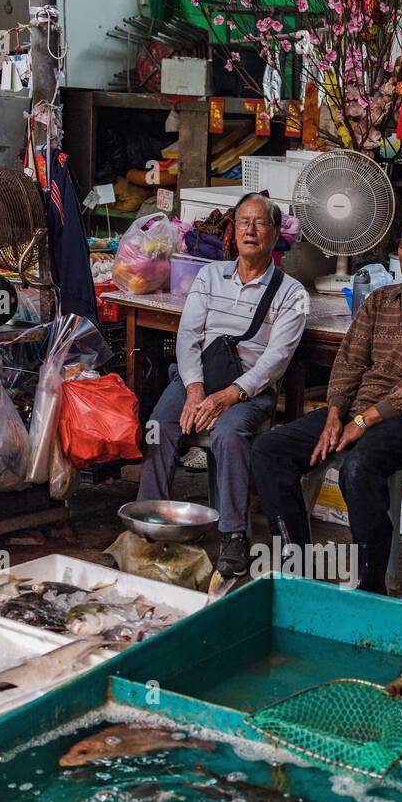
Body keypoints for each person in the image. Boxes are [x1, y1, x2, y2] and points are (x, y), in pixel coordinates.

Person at [252, 205, 402, 594]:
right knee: (270, 449)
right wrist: (336, 413)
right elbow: (350, 361)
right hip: (356, 412)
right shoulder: (378, 300)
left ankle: (371, 585)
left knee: (359, 467)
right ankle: (295, 567)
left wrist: (363, 420)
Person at [138, 193, 307, 578]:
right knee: (157, 425)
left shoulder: (291, 293)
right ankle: (150, 522)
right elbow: (188, 337)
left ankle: (233, 535)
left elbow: (275, 360)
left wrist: (229, 396)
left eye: (260, 222)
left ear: (275, 232)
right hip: (199, 378)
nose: (250, 230)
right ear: (233, 230)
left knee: (229, 433)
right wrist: (196, 390)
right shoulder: (210, 276)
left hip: (248, 390)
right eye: (243, 222)